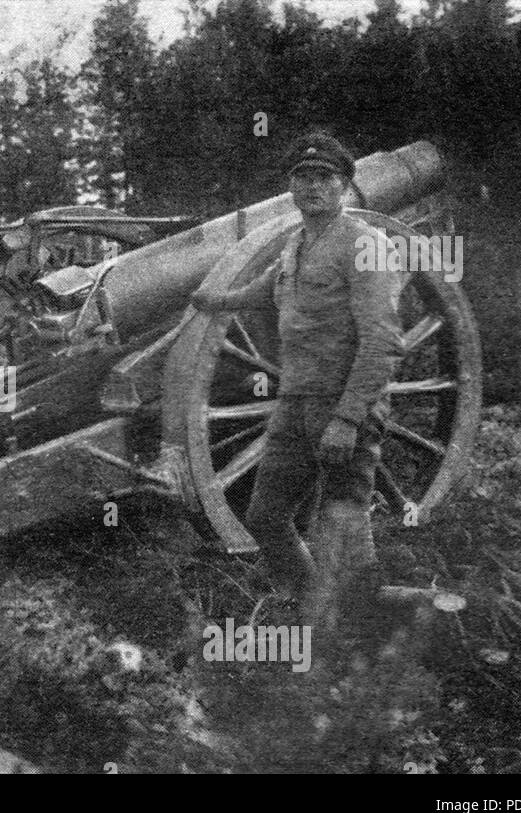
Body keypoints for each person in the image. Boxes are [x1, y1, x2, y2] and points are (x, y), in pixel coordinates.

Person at [190, 132, 404, 632]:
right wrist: (216, 302)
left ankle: (361, 630)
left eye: (324, 178)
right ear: (290, 187)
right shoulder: (297, 243)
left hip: (343, 403)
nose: (312, 187)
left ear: (346, 186)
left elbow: (383, 343)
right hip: (295, 402)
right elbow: (269, 288)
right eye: (302, 177)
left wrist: (348, 419)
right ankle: (312, 603)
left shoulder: (363, 245)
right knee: (266, 514)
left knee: (346, 519)